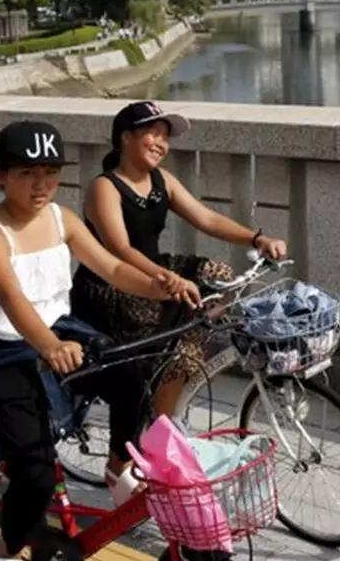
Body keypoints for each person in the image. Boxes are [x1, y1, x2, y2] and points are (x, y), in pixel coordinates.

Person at [0, 121, 199, 561]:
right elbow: (11, 298)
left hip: (60, 331)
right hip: (6, 350)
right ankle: (4, 556)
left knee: (133, 377)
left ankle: (116, 469)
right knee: (36, 476)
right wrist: (48, 346)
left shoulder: (61, 218)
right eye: (26, 173)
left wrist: (163, 284)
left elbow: (112, 268)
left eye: (50, 172)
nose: (40, 184)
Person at [70, 101, 287, 490]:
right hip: (113, 288)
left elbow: (206, 218)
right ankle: (131, 446)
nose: (161, 143)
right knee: (165, 334)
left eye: (166, 137)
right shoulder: (104, 187)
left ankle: (163, 419)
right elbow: (119, 250)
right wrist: (167, 277)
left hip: (156, 272)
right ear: (126, 137)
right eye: (153, 133)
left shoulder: (162, 181)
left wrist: (257, 238)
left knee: (215, 284)